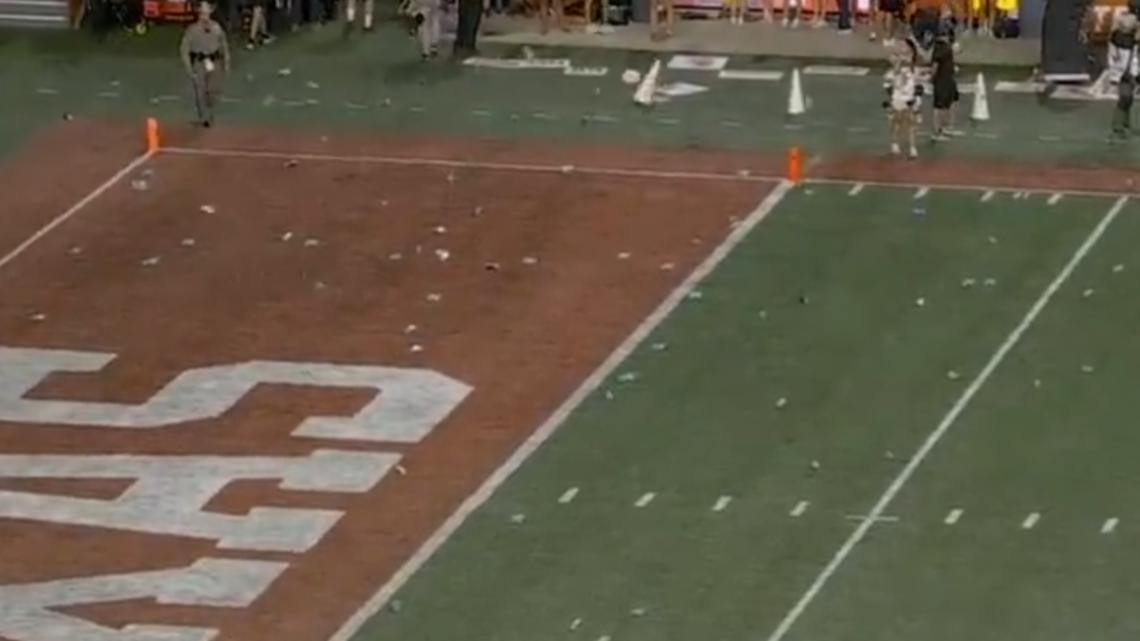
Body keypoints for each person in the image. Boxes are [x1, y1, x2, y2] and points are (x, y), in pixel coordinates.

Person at [180, 0, 230, 127]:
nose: (204, 16)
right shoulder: (192, 30)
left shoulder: (216, 28)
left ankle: (208, 111)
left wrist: (226, 62)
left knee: (213, 90)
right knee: (200, 91)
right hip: (200, 62)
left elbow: (223, 45)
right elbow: (184, 49)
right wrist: (189, 68)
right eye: (202, 13)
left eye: (206, 13)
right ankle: (204, 117)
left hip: (214, 62)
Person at [883, 39, 923, 158]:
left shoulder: (912, 61)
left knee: (911, 121)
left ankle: (912, 148)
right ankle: (895, 144)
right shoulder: (897, 59)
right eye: (900, 45)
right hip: (898, 95)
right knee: (896, 121)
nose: (900, 47)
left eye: (903, 45)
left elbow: (914, 70)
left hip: (908, 95)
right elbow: (894, 71)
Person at [1110, 9, 1138, 141]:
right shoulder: (1120, 40)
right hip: (1123, 74)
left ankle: (1125, 123)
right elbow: (1116, 58)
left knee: (1128, 99)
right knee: (1125, 98)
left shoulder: (1120, 39)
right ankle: (1118, 126)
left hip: (1129, 73)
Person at [930, 25, 959, 139]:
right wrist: (933, 77)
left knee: (950, 101)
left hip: (948, 78)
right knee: (940, 106)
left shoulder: (944, 47)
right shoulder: (941, 47)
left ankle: (945, 127)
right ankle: (937, 131)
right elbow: (935, 65)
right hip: (942, 79)